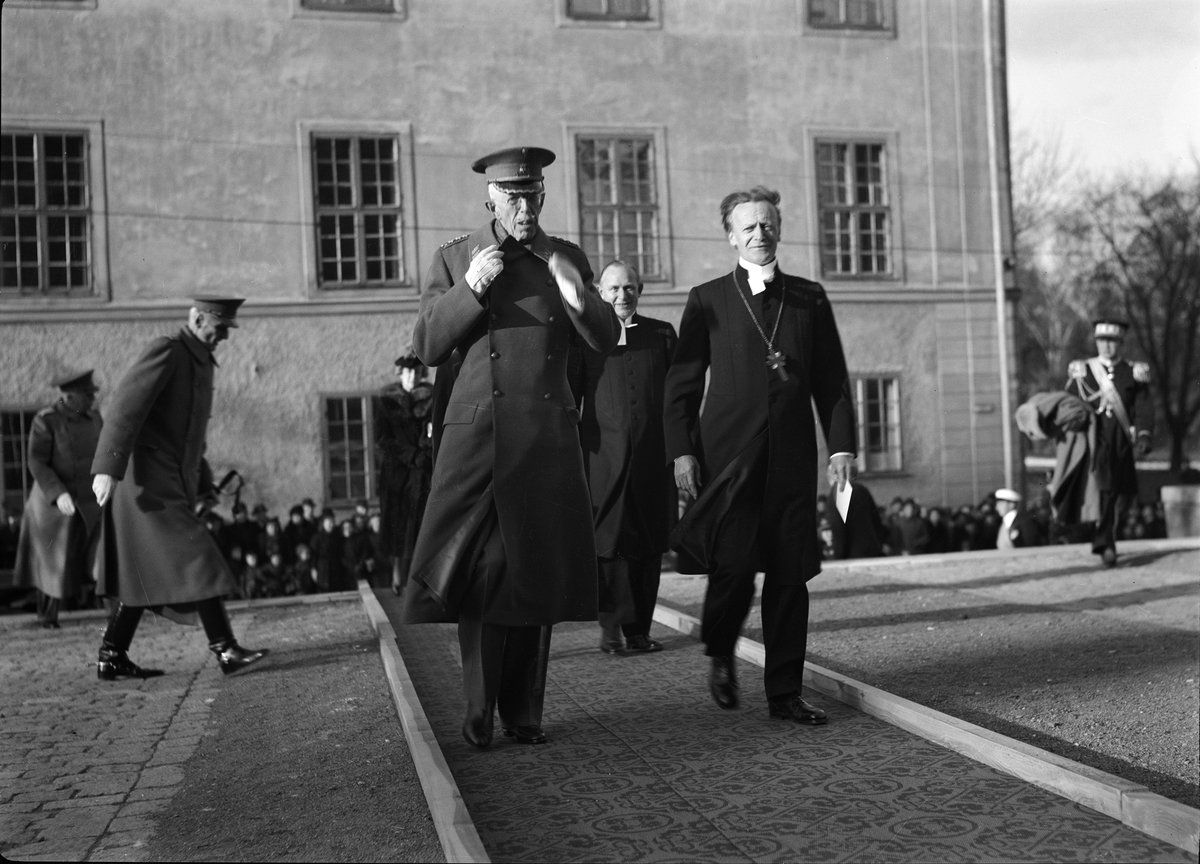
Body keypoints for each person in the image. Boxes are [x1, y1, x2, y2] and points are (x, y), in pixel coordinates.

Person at [401, 146, 619, 748]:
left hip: (545, 436)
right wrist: (470, 289)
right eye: (514, 196)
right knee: (487, 576)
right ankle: (478, 708)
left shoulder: (564, 256)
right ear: (491, 199)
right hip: (480, 441)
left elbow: (604, 340)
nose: (526, 206)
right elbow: (425, 345)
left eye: (535, 195)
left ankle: (523, 713)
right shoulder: (456, 258)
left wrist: (577, 296)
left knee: (538, 573)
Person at [664, 186, 856, 727]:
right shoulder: (707, 299)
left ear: (779, 228)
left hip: (791, 460)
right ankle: (720, 651)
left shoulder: (809, 298)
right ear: (731, 236)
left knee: (790, 576)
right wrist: (681, 452)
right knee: (734, 568)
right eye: (747, 226)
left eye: (767, 223)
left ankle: (784, 693)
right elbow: (680, 386)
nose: (759, 233)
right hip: (728, 458)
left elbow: (831, 380)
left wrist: (841, 446)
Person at [91, 298, 267, 680]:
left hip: (168, 480)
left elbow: (189, 438)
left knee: (142, 573)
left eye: (226, 329)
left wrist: (203, 486)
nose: (223, 336)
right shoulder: (168, 351)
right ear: (197, 317)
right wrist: (106, 468)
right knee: (196, 554)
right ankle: (224, 649)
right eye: (218, 327)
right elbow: (124, 408)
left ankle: (111, 655)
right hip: (143, 483)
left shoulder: (200, 361)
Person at [574, 260, 678, 655]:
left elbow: (677, 399)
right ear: (601, 291)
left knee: (649, 547)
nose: (622, 295)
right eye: (614, 289)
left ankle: (639, 631)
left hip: (653, 462)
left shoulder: (662, 335)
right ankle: (611, 629)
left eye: (630, 288)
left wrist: (682, 452)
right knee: (609, 547)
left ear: (641, 290)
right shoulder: (584, 338)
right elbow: (571, 399)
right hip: (602, 462)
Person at [14, 370, 104, 628]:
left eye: (92, 394)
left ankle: (115, 614)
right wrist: (58, 492)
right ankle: (47, 616)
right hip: (52, 505)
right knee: (54, 559)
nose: (90, 400)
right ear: (68, 396)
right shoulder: (47, 420)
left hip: (89, 500)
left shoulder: (95, 419)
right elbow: (37, 461)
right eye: (86, 395)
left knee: (100, 555)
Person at [1066, 319, 1153, 566]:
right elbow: (1071, 402)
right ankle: (1105, 543)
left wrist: (1144, 435)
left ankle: (1104, 536)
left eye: (1112, 341)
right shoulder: (1083, 370)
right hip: (1095, 441)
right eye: (1101, 340)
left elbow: (1144, 407)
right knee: (1106, 489)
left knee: (1120, 495)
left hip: (1122, 442)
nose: (1106, 346)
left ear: (1121, 343)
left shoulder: (1133, 372)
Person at [376, 353, 434, 594]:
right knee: (398, 523)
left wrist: (425, 450)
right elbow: (383, 438)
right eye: (408, 373)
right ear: (401, 374)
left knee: (421, 521)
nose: (412, 377)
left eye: (416, 372)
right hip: (397, 473)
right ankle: (397, 575)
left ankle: (419, 578)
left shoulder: (430, 398)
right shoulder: (387, 400)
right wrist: (410, 454)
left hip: (422, 470)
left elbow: (433, 430)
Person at [823, 463, 885, 560]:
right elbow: (877, 522)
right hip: (873, 551)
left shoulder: (836, 493)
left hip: (852, 556)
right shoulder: (861, 489)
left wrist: (838, 557)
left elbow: (838, 528)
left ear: (830, 476)